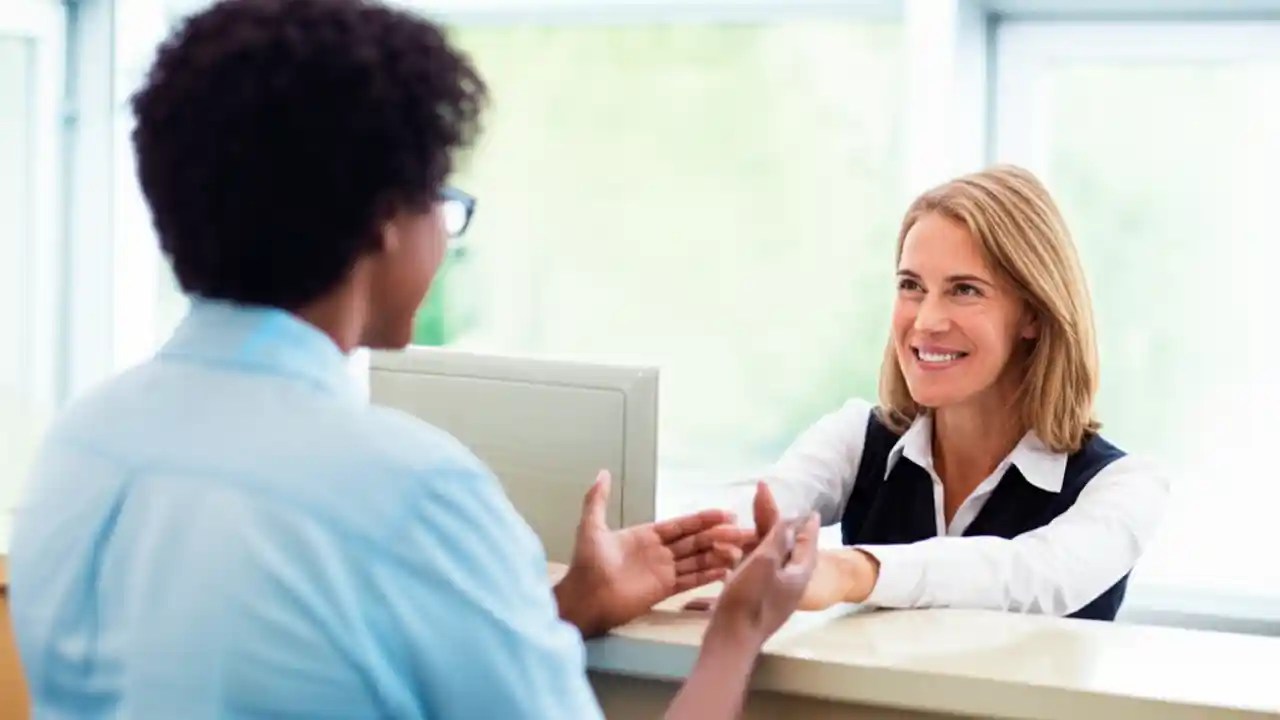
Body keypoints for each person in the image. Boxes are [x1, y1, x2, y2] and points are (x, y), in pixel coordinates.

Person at [8, 1, 818, 717]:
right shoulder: (411, 493)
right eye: (443, 198)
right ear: (385, 222)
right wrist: (738, 633)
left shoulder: (85, 442)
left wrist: (564, 604)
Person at [736, 165, 1169, 621]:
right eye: (911, 286)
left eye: (964, 290)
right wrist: (718, 542)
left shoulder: (1125, 486)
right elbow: (754, 508)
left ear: (1034, 315)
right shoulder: (857, 439)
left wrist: (853, 571)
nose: (925, 321)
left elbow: (1034, 577)